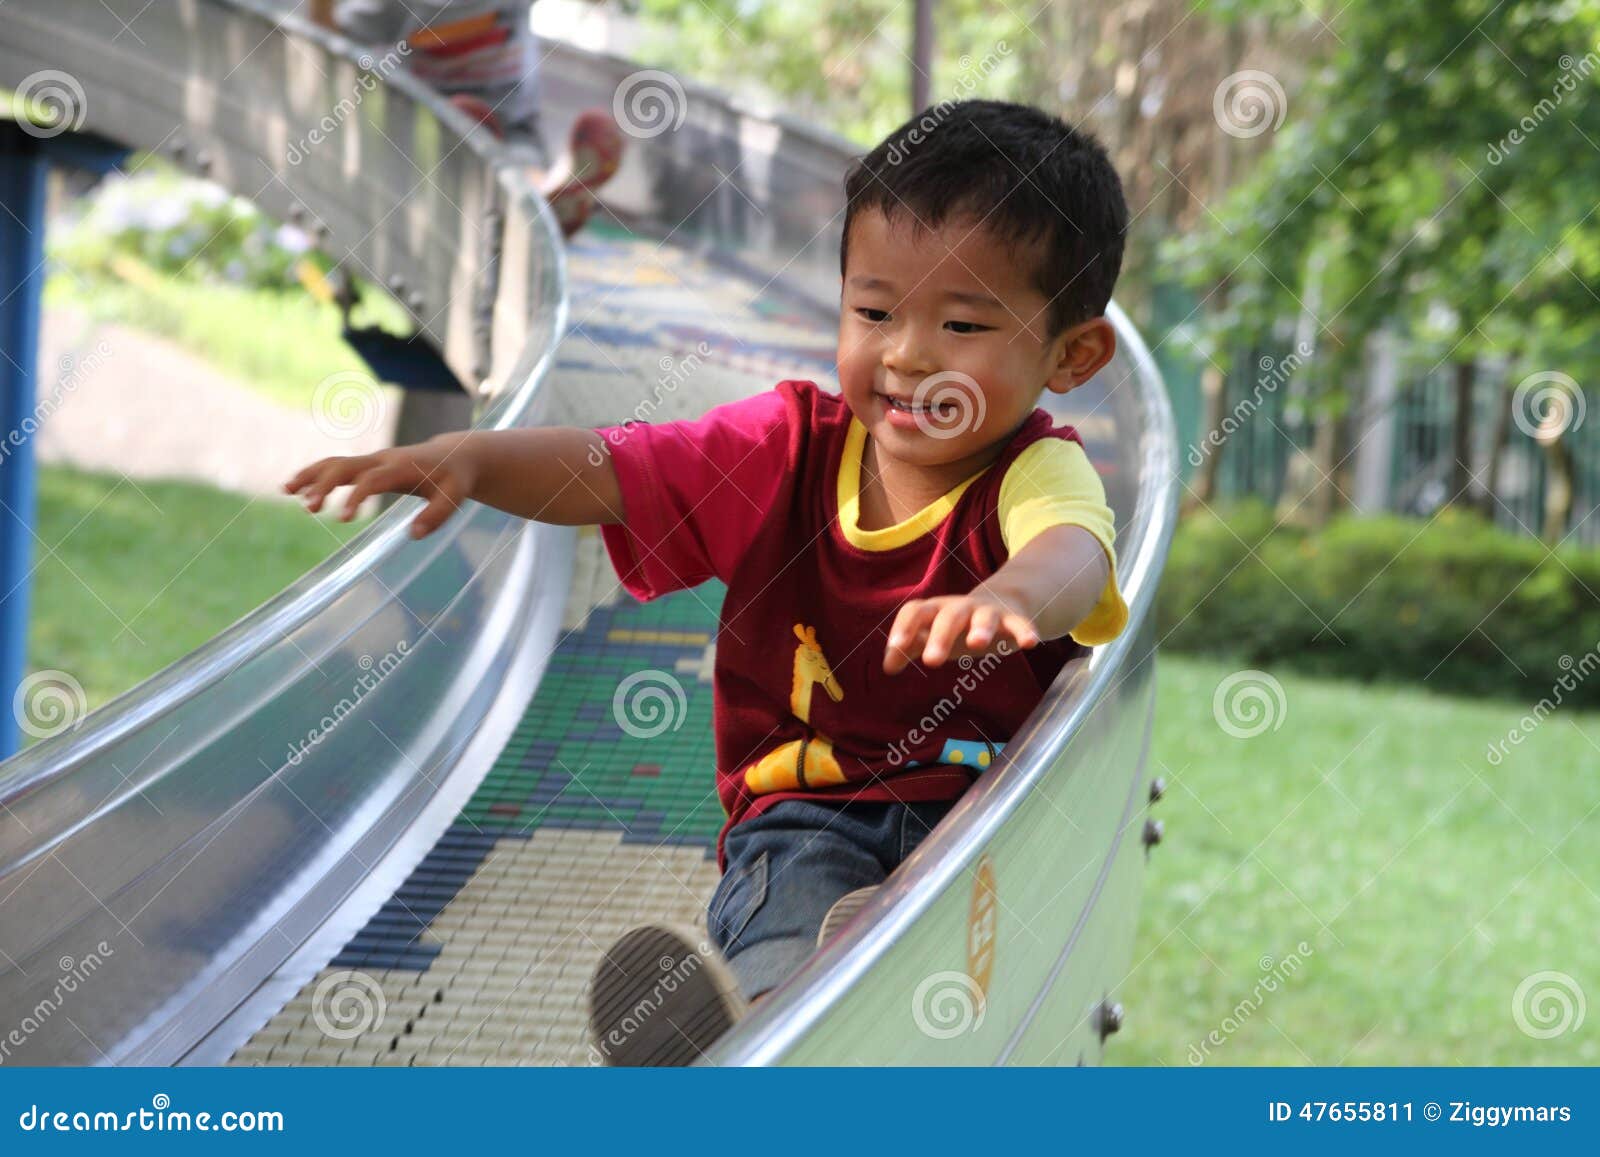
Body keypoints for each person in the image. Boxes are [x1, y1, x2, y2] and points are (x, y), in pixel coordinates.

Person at [283, 98, 1132, 1066]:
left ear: (1072, 353)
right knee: (791, 898)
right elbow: (616, 465)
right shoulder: (784, 448)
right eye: (873, 311)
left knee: (969, 980)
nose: (905, 353)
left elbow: (1074, 552)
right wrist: (475, 457)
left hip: (986, 812)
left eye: (962, 322)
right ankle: (761, 1020)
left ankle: (844, 982)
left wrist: (1011, 594)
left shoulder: (1032, 470)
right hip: (816, 806)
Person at [309, 0, 624, 238]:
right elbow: (331, 33)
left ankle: (547, 198)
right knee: (476, 139)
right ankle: (542, 198)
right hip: (450, 119)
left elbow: (329, 29)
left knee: (501, 152)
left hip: (498, 118)